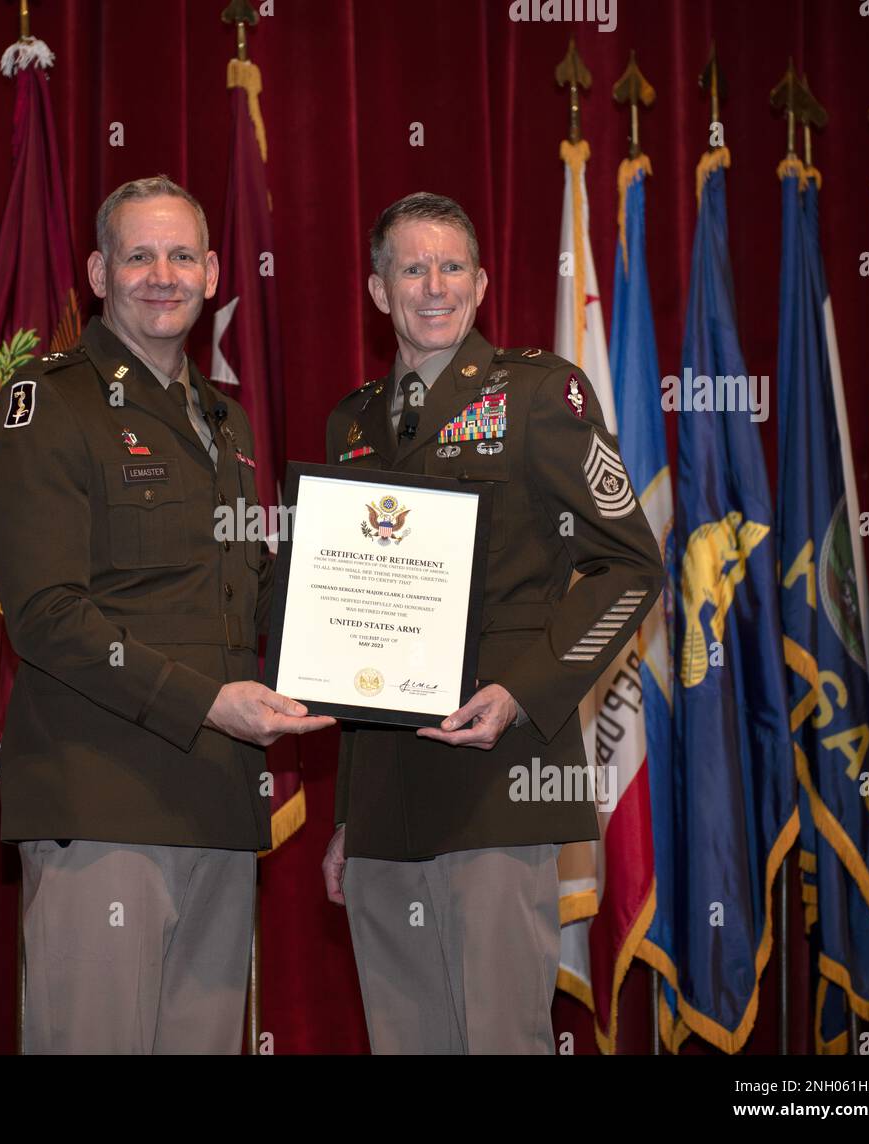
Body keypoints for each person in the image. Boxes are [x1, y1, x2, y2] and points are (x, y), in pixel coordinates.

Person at [0, 175, 332, 1054]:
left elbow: (256, 598)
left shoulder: (228, 423)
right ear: (99, 271)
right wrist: (210, 702)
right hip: (104, 804)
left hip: (215, 803)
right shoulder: (45, 405)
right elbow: (48, 616)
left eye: (180, 256)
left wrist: (381, 652)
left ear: (212, 273)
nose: (160, 274)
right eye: (138, 255)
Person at [320, 192, 664, 1054]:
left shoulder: (542, 392)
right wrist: (349, 816)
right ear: (376, 288)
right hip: (386, 804)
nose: (434, 286)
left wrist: (523, 691)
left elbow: (633, 567)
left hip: (501, 778)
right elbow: (354, 628)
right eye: (412, 267)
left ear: (480, 284)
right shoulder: (352, 422)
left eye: (452, 267)